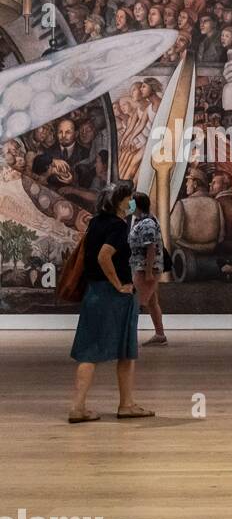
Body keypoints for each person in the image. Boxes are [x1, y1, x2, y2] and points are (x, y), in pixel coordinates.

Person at [68, 181, 154, 423]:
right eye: (129, 198)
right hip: (114, 296)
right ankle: (122, 404)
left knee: (91, 352)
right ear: (118, 201)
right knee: (125, 351)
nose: (132, 202)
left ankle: (82, 406)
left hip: (94, 293)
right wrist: (119, 285)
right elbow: (104, 256)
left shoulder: (96, 222)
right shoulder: (117, 226)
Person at [127, 191, 168, 347]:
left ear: (137, 204)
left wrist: (149, 271)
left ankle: (127, 338)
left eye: (131, 202)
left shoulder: (147, 224)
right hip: (142, 266)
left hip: (144, 268)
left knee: (134, 303)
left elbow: (150, 248)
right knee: (152, 302)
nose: (128, 205)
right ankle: (160, 334)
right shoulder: (140, 221)